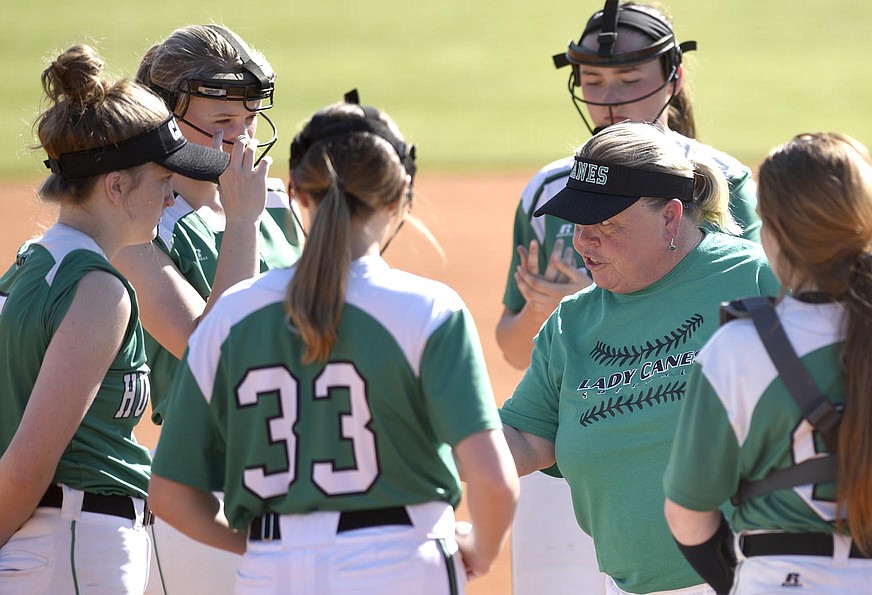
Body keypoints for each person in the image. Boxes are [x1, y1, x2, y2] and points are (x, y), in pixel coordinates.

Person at [147, 99, 519, 595]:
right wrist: (479, 552)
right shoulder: (428, 309)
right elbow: (494, 484)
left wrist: (268, 547)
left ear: (296, 191)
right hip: (400, 564)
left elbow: (170, 494)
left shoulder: (231, 315)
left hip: (271, 574)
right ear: (399, 195)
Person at [496, 3, 764, 593]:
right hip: (626, 559)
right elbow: (528, 428)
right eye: (592, 81)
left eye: (606, 225)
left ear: (673, 217)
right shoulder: (573, 321)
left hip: (747, 568)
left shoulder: (750, 269)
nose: (583, 240)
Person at [663, 133, 872, 594]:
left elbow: (687, 514)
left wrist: (742, 581)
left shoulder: (737, 350)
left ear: (776, 234)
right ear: (870, 219)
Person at [0, 44, 228, 594]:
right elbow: (28, 465)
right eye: (160, 179)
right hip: (71, 551)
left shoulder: (32, 267)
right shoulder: (99, 290)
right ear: (116, 185)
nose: (171, 191)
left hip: (53, 547)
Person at [111, 24, 304, 595]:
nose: (241, 141)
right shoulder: (138, 229)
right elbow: (213, 349)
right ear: (162, 116)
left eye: (248, 122)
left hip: (306, 469)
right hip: (210, 483)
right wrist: (240, 222)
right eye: (222, 124)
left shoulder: (274, 206)